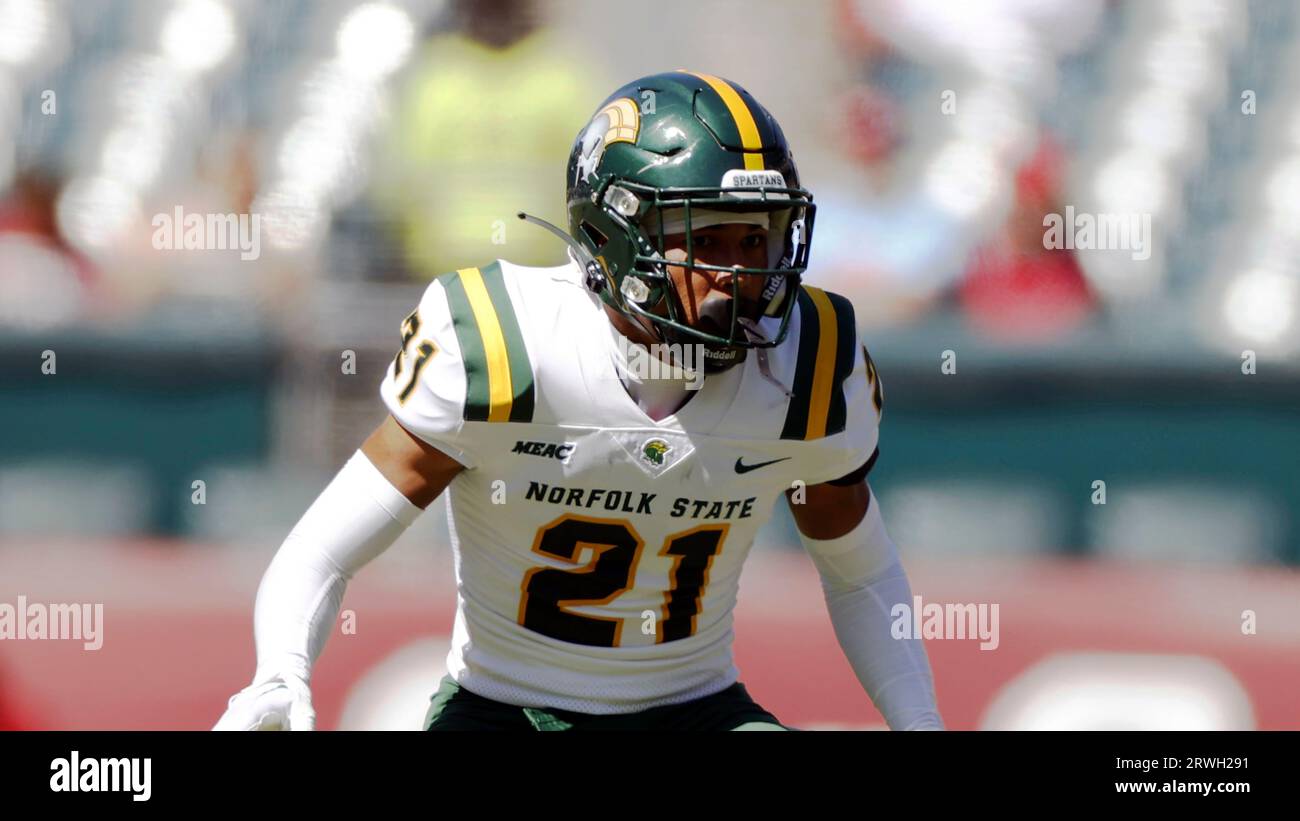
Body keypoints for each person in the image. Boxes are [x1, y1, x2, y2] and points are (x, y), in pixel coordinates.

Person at [215, 72, 942, 731]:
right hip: (505, 709)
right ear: (610, 238)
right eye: (709, 238)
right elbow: (321, 550)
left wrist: (920, 721)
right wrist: (278, 672)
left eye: (756, 239)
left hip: (696, 710)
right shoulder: (505, 344)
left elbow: (862, 570)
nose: (739, 273)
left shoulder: (805, 363)